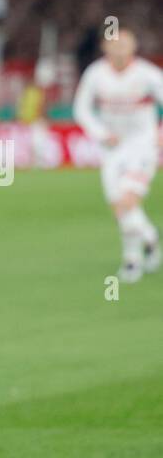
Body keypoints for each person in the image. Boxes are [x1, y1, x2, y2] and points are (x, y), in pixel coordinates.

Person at [72, 29, 163, 282]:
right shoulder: (95, 74)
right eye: (115, 45)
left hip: (142, 146)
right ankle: (150, 237)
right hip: (112, 149)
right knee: (119, 209)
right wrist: (101, 133)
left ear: (133, 47)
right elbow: (81, 108)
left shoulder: (147, 74)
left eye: (125, 45)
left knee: (127, 201)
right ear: (105, 47)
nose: (120, 50)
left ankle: (132, 261)